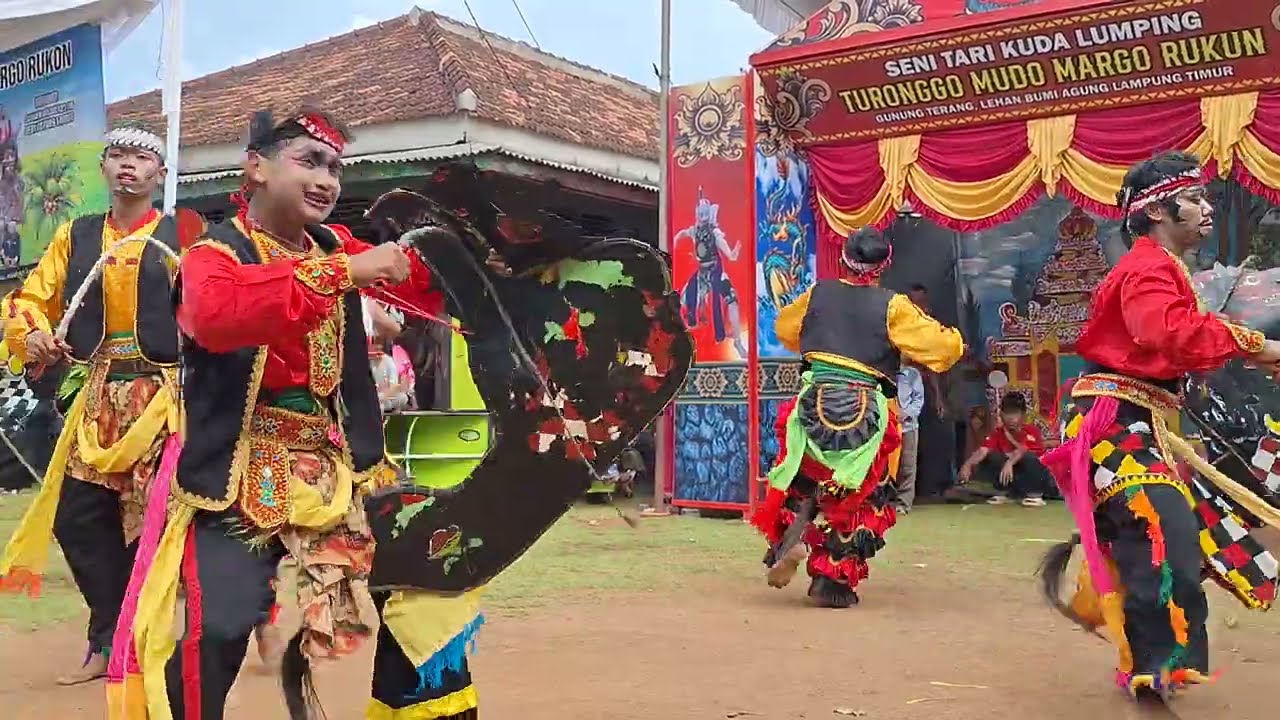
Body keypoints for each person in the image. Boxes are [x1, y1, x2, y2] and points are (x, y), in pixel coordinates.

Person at [120, 108, 485, 719]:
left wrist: (475, 254)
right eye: (309, 161)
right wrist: (346, 272)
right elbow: (218, 317)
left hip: (343, 465)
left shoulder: (337, 245)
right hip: (237, 473)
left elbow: (422, 279)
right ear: (256, 167)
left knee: (427, 577)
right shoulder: (214, 253)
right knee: (221, 627)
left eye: (335, 168)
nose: (326, 180)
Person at [1036, 151, 1280, 701]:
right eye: (1193, 199)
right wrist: (1259, 345)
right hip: (1115, 421)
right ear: (1155, 212)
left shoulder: (1164, 268)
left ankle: (1151, 659)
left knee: (1171, 537)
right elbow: (1168, 334)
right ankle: (1151, 666)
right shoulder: (1146, 267)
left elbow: (1177, 341)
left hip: (1144, 421)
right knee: (1159, 531)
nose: (1206, 208)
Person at [0, 126, 204, 685]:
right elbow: (27, 301)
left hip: (168, 397)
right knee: (79, 518)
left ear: (160, 173)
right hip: (96, 398)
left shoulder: (184, 235)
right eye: (118, 156)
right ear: (105, 169)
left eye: (142, 158)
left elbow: (213, 308)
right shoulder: (77, 234)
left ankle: (171, 639)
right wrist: (34, 334)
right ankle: (107, 635)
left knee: (164, 522)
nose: (128, 166)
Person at [751, 227, 964, 607]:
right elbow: (942, 350)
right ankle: (831, 583)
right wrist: (936, 342)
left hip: (813, 402)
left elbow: (785, 328)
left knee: (798, 480)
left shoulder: (818, 293)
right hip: (865, 408)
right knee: (863, 498)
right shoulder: (893, 306)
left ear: (845, 259)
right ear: (884, 264)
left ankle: (792, 540)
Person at [958, 393, 1053, 507]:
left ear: (1023, 415)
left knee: (1029, 457)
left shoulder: (1032, 431)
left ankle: (1035, 495)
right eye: (1007, 413)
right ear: (1001, 414)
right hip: (1014, 479)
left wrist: (1010, 462)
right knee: (991, 457)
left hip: (1037, 479)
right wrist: (967, 465)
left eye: (1015, 413)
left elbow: (1023, 449)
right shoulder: (997, 433)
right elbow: (982, 451)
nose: (1011, 417)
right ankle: (1004, 493)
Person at [894, 362, 923, 514]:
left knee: (907, 465)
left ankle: (903, 502)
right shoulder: (879, 369)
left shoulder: (912, 374)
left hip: (907, 427)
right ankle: (881, 502)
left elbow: (918, 399)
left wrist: (907, 413)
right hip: (884, 427)